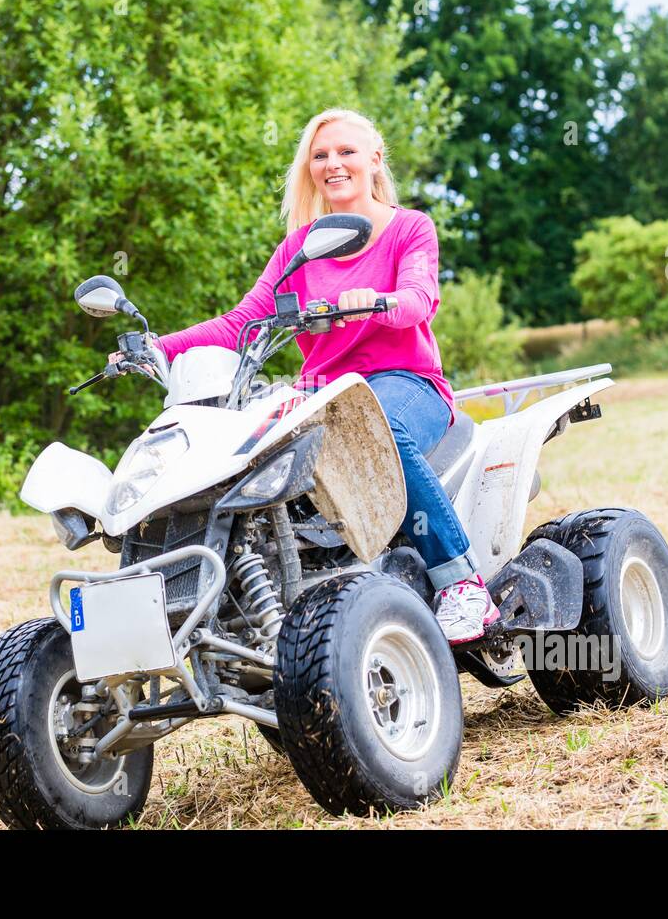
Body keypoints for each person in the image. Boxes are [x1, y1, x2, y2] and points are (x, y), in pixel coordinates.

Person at [115, 107, 498, 646]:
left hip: (404, 383)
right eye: (320, 156)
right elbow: (240, 322)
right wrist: (158, 348)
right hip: (317, 395)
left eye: (345, 152)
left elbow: (418, 300)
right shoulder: (299, 249)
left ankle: (461, 584)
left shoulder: (410, 228)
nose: (332, 164)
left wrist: (377, 302)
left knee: (376, 429)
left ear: (374, 159)